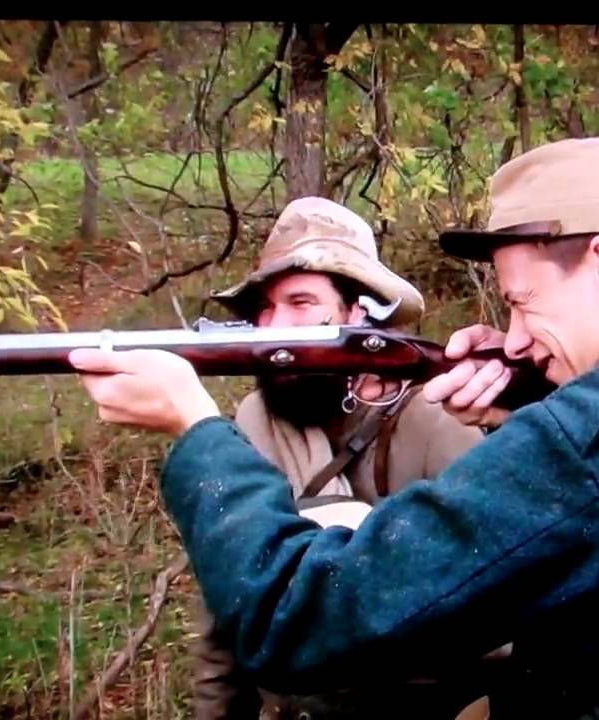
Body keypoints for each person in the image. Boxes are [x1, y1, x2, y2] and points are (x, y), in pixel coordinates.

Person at [69, 138, 599, 718]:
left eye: (519, 302)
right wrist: (537, 386)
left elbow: (298, 617)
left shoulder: (594, 450)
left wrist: (195, 429)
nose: (510, 335)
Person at [187, 196, 488, 719]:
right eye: (266, 308)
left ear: (358, 314)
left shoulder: (437, 420)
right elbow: (226, 605)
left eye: (301, 303)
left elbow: (498, 617)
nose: (276, 326)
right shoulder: (257, 420)